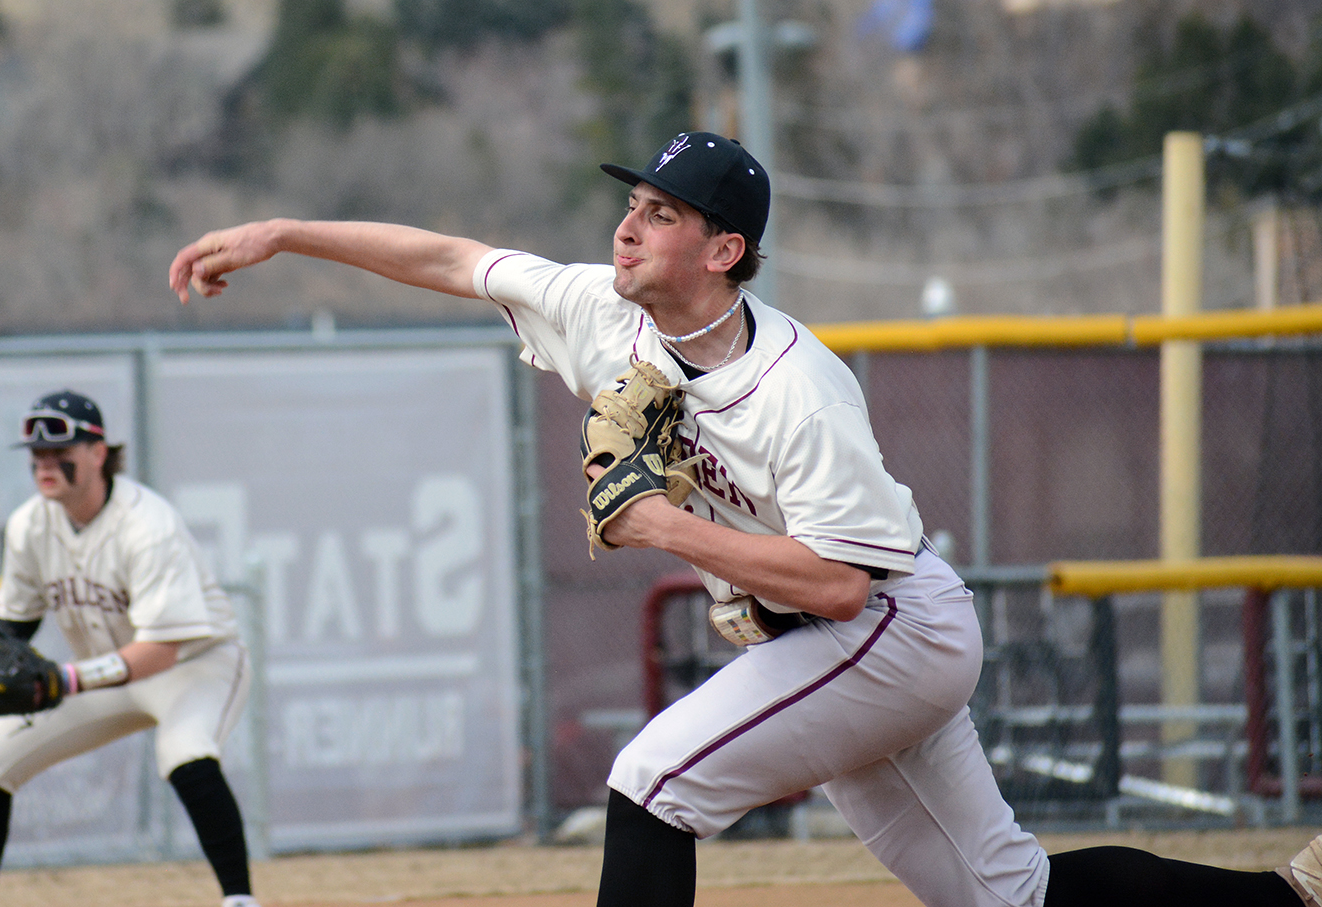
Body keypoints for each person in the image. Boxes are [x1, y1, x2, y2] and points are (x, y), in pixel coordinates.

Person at [167, 133, 1322, 907]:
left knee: (651, 778)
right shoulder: (600, 312)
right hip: (826, 632)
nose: (625, 229)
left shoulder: (795, 386)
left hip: (886, 627)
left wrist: (660, 524)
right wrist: (285, 233)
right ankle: (1283, 897)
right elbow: (455, 257)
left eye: (660, 213)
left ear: (721, 251)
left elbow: (838, 587)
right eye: (630, 203)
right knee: (1004, 893)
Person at [0, 390, 258, 907]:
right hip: (109, 673)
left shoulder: (147, 525)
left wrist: (65, 680)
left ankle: (239, 901)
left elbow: (160, 651)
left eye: (60, 452)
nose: (45, 464)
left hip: (195, 664)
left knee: (184, 753)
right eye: (37, 456)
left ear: (98, 452)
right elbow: (15, 620)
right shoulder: (30, 524)